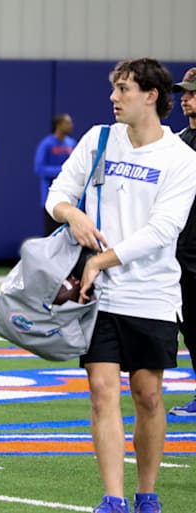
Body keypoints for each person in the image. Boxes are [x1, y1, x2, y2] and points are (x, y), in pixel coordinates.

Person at [46, 58, 196, 513]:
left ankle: (147, 494)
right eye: (115, 88)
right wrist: (73, 215)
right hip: (99, 297)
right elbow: (57, 194)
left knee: (148, 397)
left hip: (151, 294)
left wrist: (102, 260)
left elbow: (163, 230)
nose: (114, 97)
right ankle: (113, 498)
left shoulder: (181, 158)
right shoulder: (99, 139)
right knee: (101, 390)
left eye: (124, 89)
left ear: (151, 96)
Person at [171, 67, 196, 417]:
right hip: (181, 253)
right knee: (190, 330)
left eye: (192, 93)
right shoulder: (177, 143)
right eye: (184, 93)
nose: (185, 99)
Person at [34, 113, 76, 235]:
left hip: (69, 197)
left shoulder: (71, 143)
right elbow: (39, 168)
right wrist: (63, 171)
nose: (71, 125)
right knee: (51, 234)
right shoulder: (46, 144)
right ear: (59, 125)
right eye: (67, 123)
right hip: (50, 196)